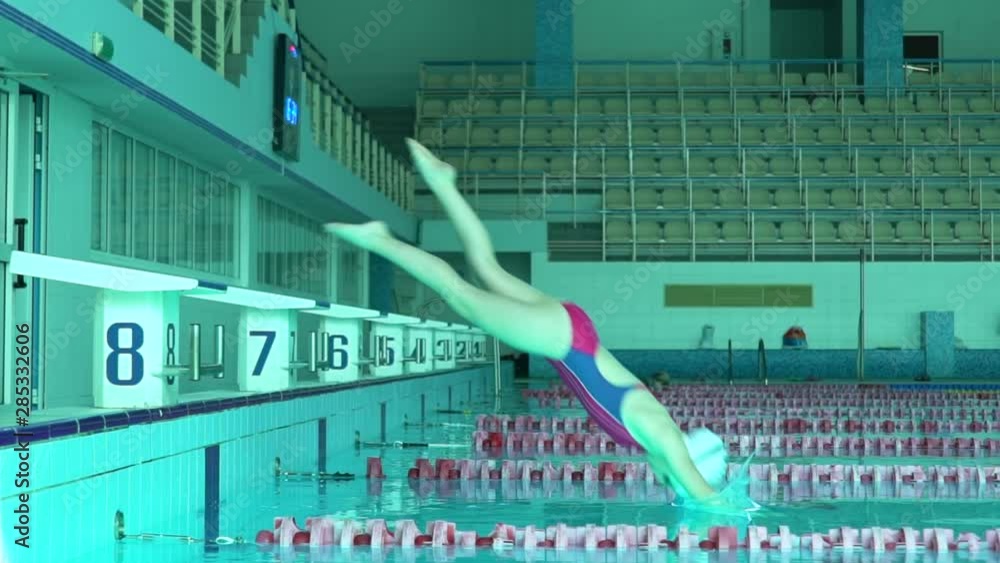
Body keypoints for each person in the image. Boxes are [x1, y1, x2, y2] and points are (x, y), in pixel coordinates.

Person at [327, 139, 753, 510]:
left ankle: (442, 183)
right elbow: (705, 498)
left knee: (485, 268)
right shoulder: (664, 437)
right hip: (563, 341)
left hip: (574, 330)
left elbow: (680, 484)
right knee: (460, 295)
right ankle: (382, 238)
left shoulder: (663, 438)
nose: (672, 482)